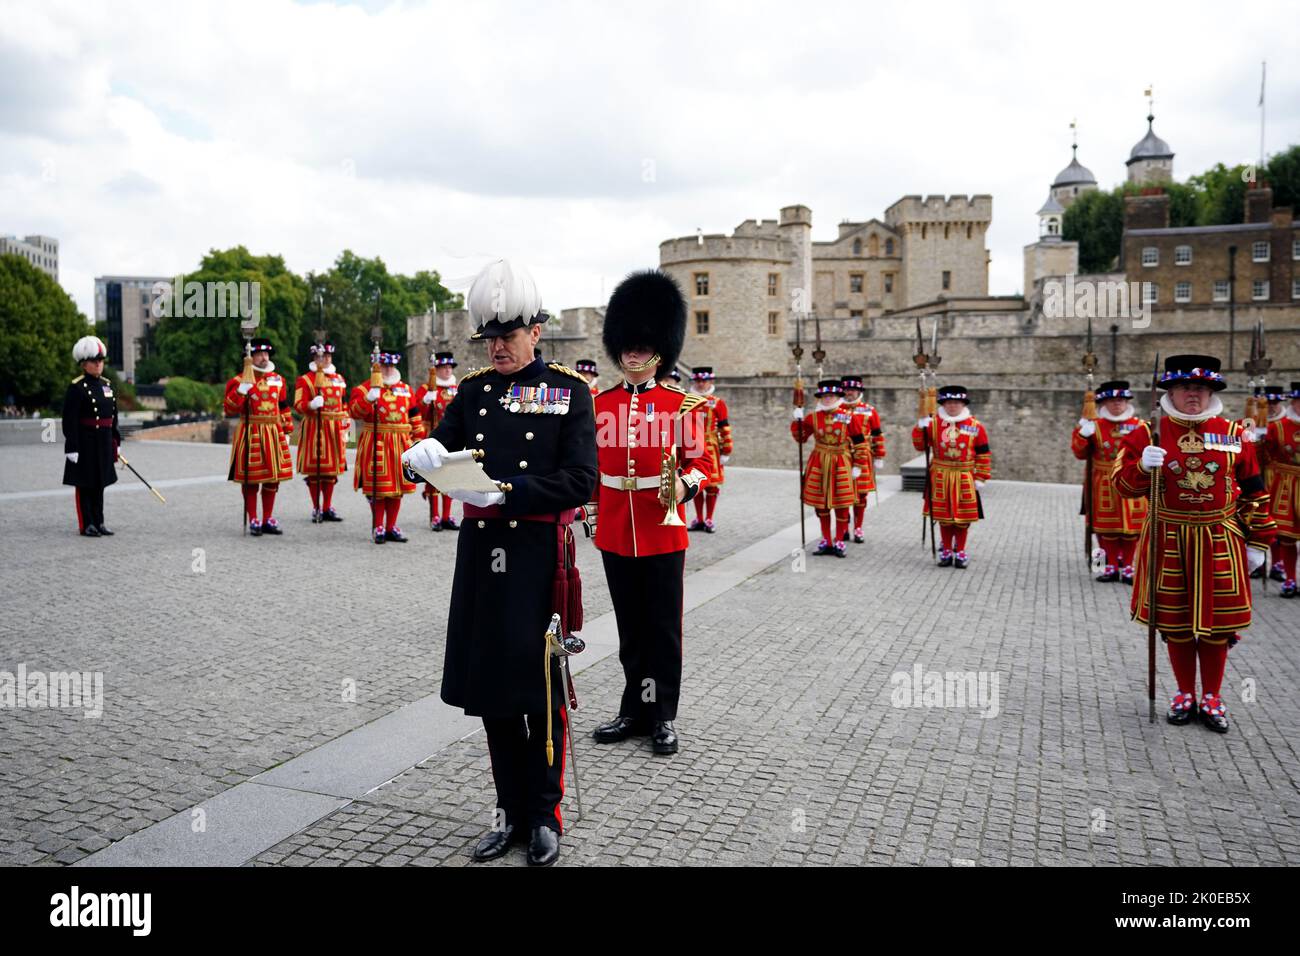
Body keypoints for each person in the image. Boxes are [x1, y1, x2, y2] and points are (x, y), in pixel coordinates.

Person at [401, 259, 596, 866]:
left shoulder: (569, 392)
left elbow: (581, 479)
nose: (498, 348)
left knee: (539, 690)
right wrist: (424, 455)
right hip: (484, 557)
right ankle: (508, 810)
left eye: (509, 336)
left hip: (539, 557)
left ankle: (545, 816)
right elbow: (443, 445)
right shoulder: (474, 391)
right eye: (490, 338)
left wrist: (509, 491)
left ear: (535, 332)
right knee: (494, 692)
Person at [1115, 354, 1275, 732]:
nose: (1194, 395)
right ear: (1170, 390)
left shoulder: (1234, 432)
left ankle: (1213, 697)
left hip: (1219, 539)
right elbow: (1120, 486)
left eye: (1201, 389)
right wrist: (1141, 467)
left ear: (1211, 392)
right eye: (1186, 387)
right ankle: (1185, 692)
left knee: (1217, 626)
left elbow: (1254, 489)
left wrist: (1260, 541)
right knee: (1176, 622)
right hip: (1168, 537)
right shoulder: (1147, 432)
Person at [588, 270, 709, 757]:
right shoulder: (601, 404)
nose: (633, 354)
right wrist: (593, 515)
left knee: (662, 628)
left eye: (642, 347)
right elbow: (593, 470)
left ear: (660, 349)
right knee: (630, 626)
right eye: (628, 347)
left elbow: (702, 465)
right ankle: (633, 709)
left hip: (663, 530)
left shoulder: (682, 405)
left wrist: (682, 485)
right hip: (618, 527)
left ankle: (662, 715)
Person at [1071, 380, 1147, 583]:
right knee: (1106, 529)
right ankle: (1109, 565)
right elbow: (1080, 453)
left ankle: (1130, 566)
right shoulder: (1094, 425)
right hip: (1103, 482)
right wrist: (1081, 435)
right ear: (1103, 404)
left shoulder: (1139, 426)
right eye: (1113, 401)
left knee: (1133, 529)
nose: (1118, 405)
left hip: (1131, 478)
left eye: (1121, 400)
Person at [911, 385, 991, 568]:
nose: (952, 406)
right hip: (940, 475)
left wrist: (981, 476)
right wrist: (919, 427)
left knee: (963, 519)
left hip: (965, 476)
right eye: (948, 403)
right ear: (943, 404)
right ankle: (946, 550)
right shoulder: (933, 423)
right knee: (944, 517)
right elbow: (919, 446)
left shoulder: (975, 426)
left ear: (963, 404)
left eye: (956, 402)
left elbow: (983, 453)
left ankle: (961, 551)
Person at [224, 338, 294, 535]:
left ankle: (267, 519)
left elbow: (283, 406)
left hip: (273, 431)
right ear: (250, 357)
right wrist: (240, 392)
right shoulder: (238, 381)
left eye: (266, 354)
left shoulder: (278, 379)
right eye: (259, 354)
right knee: (251, 478)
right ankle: (253, 518)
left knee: (273, 478)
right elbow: (228, 408)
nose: (264, 358)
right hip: (251, 430)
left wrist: (287, 429)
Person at [350, 351, 421, 544]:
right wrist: (368, 399)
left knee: (398, 488)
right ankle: (378, 526)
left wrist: (418, 438)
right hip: (376, 441)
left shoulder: (405, 389)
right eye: (384, 365)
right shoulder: (364, 389)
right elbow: (354, 412)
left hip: (401, 443)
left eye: (391, 365)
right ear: (376, 366)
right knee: (379, 488)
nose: (388, 369)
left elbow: (414, 415)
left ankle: (391, 526)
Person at [791, 379, 867, 557]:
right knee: (821, 505)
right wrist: (798, 420)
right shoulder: (813, 417)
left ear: (838, 397)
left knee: (841, 504)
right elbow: (800, 438)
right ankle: (826, 539)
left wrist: (858, 465)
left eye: (830, 396)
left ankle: (840, 540)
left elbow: (860, 443)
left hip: (841, 461)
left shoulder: (848, 416)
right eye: (824, 396)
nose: (827, 399)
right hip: (818, 462)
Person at [63, 336, 120, 536]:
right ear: (84, 364)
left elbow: (113, 417)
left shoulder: (107, 385)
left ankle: (99, 521)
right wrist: (71, 446)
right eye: (95, 361)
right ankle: (87, 523)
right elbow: (69, 420)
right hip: (85, 443)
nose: (99, 364)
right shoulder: (77, 387)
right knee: (85, 484)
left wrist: (116, 441)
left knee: (100, 483)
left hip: (103, 442)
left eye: (101, 361)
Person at [293, 341, 349, 522]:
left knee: (331, 471)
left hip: (334, 428)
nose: (324, 359)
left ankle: (327, 506)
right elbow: (298, 405)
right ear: (314, 358)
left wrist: (347, 426)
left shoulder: (339, 379)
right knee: (315, 471)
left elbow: (344, 404)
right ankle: (316, 507)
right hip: (314, 427)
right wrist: (310, 404)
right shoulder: (306, 379)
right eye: (321, 356)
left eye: (327, 356)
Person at [413, 352, 460, 531]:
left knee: (450, 477)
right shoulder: (427, 388)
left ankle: (447, 516)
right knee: (433, 477)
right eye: (444, 368)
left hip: (453, 437)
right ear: (436, 370)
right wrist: (426, 401)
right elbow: (416, 411)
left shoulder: (456, 389)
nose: (448, 370)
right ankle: (435, 516)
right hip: (434, 435)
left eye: (450, 368)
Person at [1263, 381, 1300, 597]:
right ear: (1293, 402)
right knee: (1286, 537)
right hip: (1286, 485)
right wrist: (1258, 441)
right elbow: (1262, 458)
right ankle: (1290, 579)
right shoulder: (1277, 427)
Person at [840, 375, 887, 543]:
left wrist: (879, 454)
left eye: (852, 390)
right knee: (842, 493)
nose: (849, 393)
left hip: (864, 454)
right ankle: (843, 526)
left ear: (859, 391)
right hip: (842, 454)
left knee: (861, 494)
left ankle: (858, 527)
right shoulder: (836, 409)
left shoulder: (869, 410)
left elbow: (877, 433)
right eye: (846, 390)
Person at [687, 367, 732, 532]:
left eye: (704, 381)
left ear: (710, 382)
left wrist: (726, 450)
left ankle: (709, 518)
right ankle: (698, 518)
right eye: (697, 381)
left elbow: (724, 428)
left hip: (712, 447)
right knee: (695, 483)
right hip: (692, 447)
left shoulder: (717, 403)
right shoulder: (686, 400)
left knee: (712, 486)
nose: (700, 384)